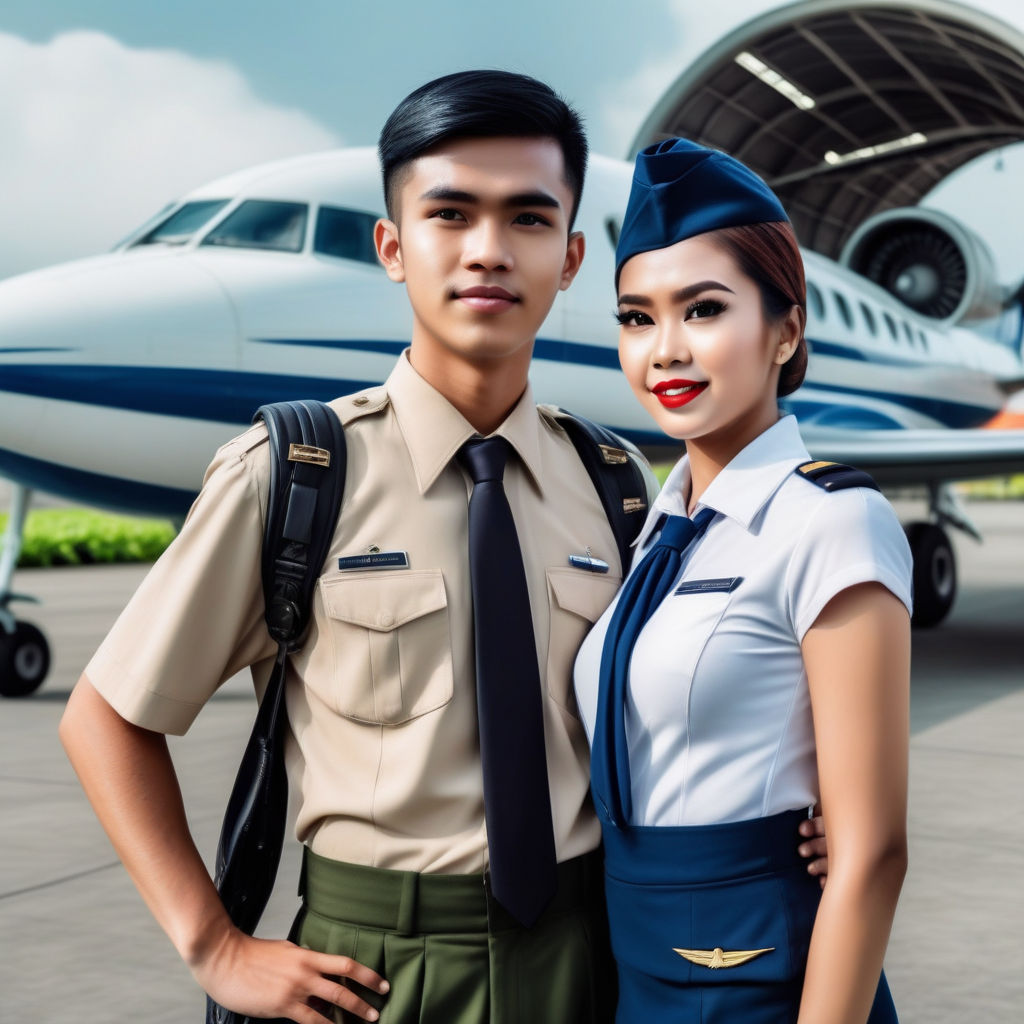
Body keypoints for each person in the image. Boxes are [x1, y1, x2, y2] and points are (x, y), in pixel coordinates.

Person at [59, 76, 828, 1024]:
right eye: (450, 214)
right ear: (392, 246)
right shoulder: (296, 473)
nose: (489, 251)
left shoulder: (617, 483)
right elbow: (105, 717)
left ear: (573, 257)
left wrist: (818, 811)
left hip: (589, 956)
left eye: (529, 219)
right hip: (377, 970)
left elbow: (706, 679)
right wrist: (213, 943)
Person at [573, 137, 913, 1023]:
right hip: (634, 968)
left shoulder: (831, 520)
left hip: (763, 981)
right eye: (637, 318)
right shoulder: (652, 530)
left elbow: (871, 853)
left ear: (786, 329)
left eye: (704, 309)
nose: (665, 350)